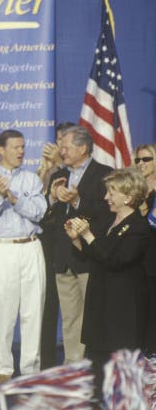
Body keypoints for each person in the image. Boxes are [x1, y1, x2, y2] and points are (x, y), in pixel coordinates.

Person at [0, 130, 47, 385]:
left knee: (32, 311)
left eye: (23, 147)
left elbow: (39, 212)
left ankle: (30, 369)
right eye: (15, 147)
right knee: (1, 312)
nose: (20, 151)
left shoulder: (32, 180)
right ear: (0, 150)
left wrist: (13, 198)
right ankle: (3, 368)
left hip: (30, 246)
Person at [65, 168, 149, 379]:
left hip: (122, 309)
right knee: (97, 360)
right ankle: (97, 406)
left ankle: (123, 407)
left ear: (128, 197)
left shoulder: (138, 227)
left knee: (121, 365)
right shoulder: (107, 223)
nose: (106, 197)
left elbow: (115, 261)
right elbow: (94, 256)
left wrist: (88, 235)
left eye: (112, 193)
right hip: (100, 302)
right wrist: (77, 239)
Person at [48, 126, 113, 365]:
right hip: (63, 258)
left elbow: (107, 214)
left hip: (88, 256)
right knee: (70, 318)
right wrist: (53, 197)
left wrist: (77, 201)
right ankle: (73, 365)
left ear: (83, 148)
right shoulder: (58, 176)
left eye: (66, 147)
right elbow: (49, 219)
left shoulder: (105, 174)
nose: (61, 151)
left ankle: (95, 365)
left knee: (94, 315)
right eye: (61, 146)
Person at [37, 122, 75, 368]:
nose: (60, 145)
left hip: (74, 245)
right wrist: (46, 173)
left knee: (74, 311)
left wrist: (60, 167)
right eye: (58, 139)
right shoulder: (46, 170)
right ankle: (46, 361)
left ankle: (77, 362)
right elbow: (39, 209)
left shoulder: (76, 170)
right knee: (47, 305)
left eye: (65, 141)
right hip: (48, 245)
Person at [136, 143, 156, 353]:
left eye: (146, 159)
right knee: (142, 313)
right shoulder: (134, 190)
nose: (141, 164)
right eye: (138, 160)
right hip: (139, 259)